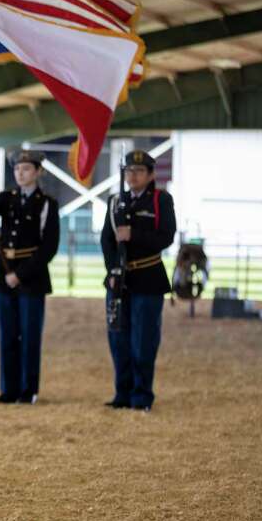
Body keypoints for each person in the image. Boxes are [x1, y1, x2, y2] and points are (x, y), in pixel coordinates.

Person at [0, 150, 59, 405]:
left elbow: (48, 247)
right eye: (17, 170)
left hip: (30, 277)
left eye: (26, 169)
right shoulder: (7, 198)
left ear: (38, 172)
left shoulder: (46, 204)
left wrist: (20, 275)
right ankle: (8, 389)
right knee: (7, 335)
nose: (20, 174)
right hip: (3, 274)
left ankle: (27, 390)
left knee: (29, 336)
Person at [101, 150, 176, 412]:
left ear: (151, 175)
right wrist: (112, 271)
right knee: (118, 338)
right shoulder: (114, 202)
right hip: (120, 281)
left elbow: (166, 237)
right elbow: (107, 241)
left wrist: (134, 234)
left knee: (143, 340)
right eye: (128, 171)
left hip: (147, 278)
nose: (132, 176)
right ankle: (122, 393)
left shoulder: (160, 200)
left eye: (139, 171)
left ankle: (141, 395)